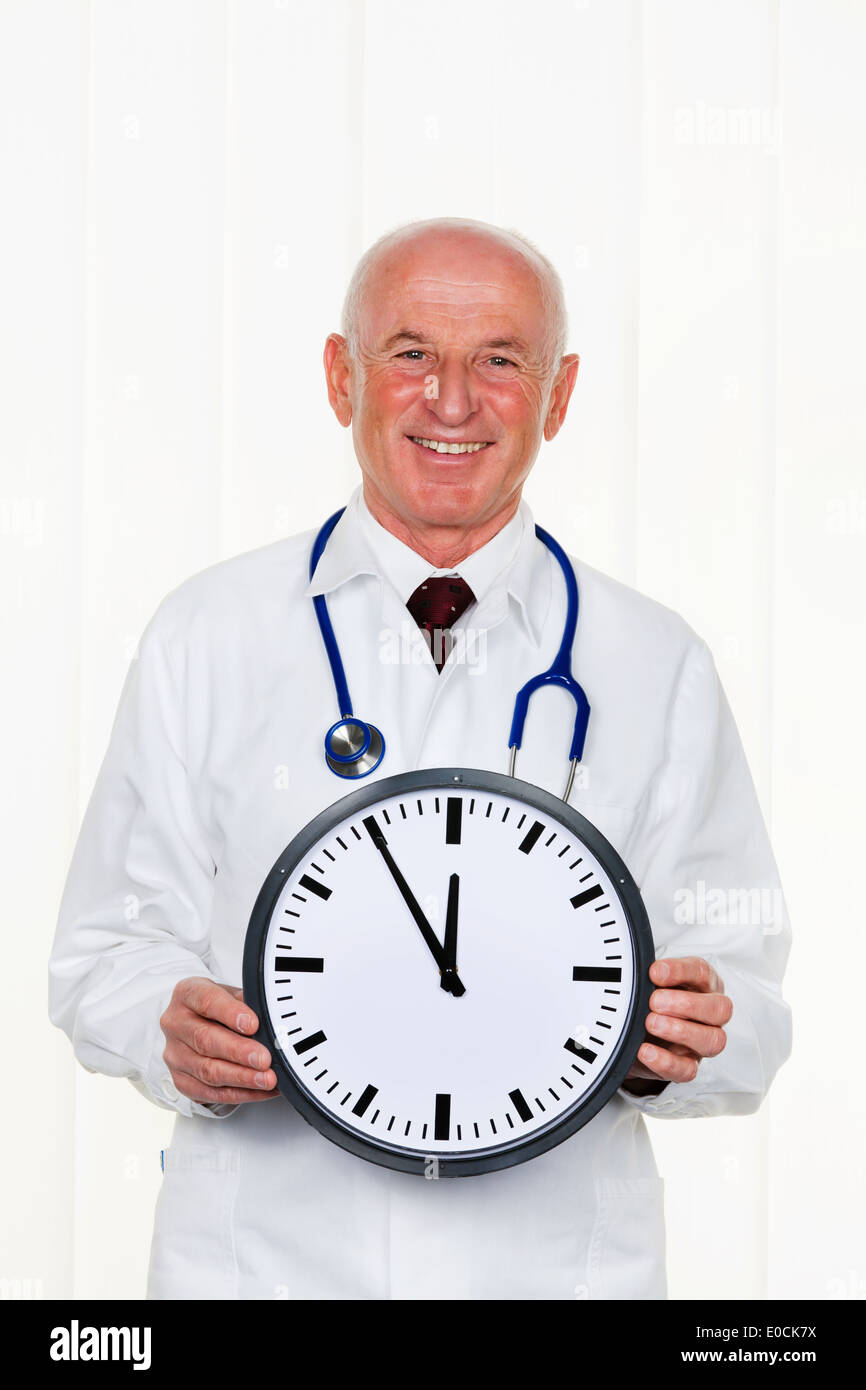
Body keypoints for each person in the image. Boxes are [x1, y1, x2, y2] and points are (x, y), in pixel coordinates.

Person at [49, 216, 792, 1300]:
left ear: (559, 394)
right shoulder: (207, 634)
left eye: (499, 359)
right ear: (341, 376)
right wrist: (168, 1026)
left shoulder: (654, 661)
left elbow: (753, 1000)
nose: (451, 399)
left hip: (549, 1272)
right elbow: (101, 948)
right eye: (411, 354)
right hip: (265, 1266)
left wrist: (679, 1037)